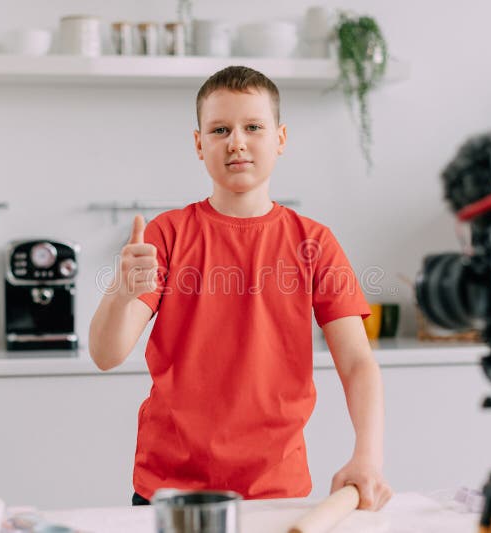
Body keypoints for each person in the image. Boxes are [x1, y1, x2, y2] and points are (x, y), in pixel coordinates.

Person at [89, 65, 392, 511]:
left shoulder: (315, 243)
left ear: (280, 138)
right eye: (219, 129)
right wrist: (120, 289)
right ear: (199, 144)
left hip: (276, 493)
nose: (237, 141)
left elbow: (357, 363)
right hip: (169, 493)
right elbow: (106, 354)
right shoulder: (166, 234)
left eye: (253, 126)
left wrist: (367, 457)